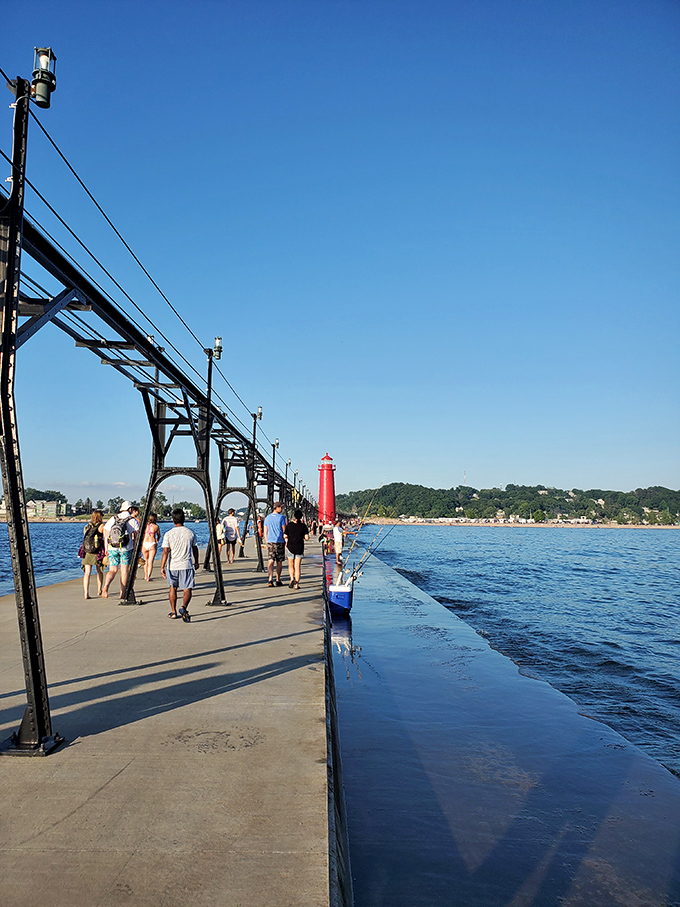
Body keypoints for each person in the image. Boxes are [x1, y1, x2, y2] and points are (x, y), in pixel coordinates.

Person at [160, 508, 199, 621]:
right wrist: (196, 561)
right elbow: (194, 548)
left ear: (173, 520)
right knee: (187, 589)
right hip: (186, 565)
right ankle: (183, 607)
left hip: (173, 566)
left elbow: (165, 551)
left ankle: (173, 611)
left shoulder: (168, 534)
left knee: (173, 588)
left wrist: (162, 567)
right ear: (184, 519)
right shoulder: (190, 533)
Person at [102, 501, 138, 600]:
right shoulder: (132, 520)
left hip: (112, 547)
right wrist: (135, 547)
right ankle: (122, 593)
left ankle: (106, 586)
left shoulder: (113, 518)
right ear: (130, 509)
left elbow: (106, 533)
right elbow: (137, 535)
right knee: (124, 571)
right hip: (126, 548)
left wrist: (106, 548)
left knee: (112, 570)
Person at [81, 509, 105, 599]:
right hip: (97, 551)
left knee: (87, 573)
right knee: (99, 571)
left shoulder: (87, 526)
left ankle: (86, 593)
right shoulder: (101, 526)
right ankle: (99, 590)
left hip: (87, 551)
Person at [284, 509, 309, 590]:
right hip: (299, 547)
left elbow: (285, 536)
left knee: (291, 565)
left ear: (294, 516)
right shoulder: (303, 526)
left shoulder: (290, 525)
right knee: (297, 566)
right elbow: (306, 537)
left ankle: (292, 579)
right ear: (301, 517)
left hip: (290, 547)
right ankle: (296, 585)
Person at [263, 502, 287, 587]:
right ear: (277, 507)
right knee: (279, 561)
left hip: (270, 541)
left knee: (271, 560)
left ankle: (270, 579)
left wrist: (266, 542)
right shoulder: (282, 517)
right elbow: (284, 530)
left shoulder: (267, 518)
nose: (282, 509)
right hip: (280, 541)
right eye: (281, 507)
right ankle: (277, 579)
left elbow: (265, 531)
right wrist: (286, 541)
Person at [142, 512, 161, 581]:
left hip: (145, 543)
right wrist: (157, 540)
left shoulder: (145, 526)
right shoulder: (156, 526)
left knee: (145, 560)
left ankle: (145, 575)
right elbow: (159, 535)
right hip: (152, 543)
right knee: (150, 561)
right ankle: (148, 577)